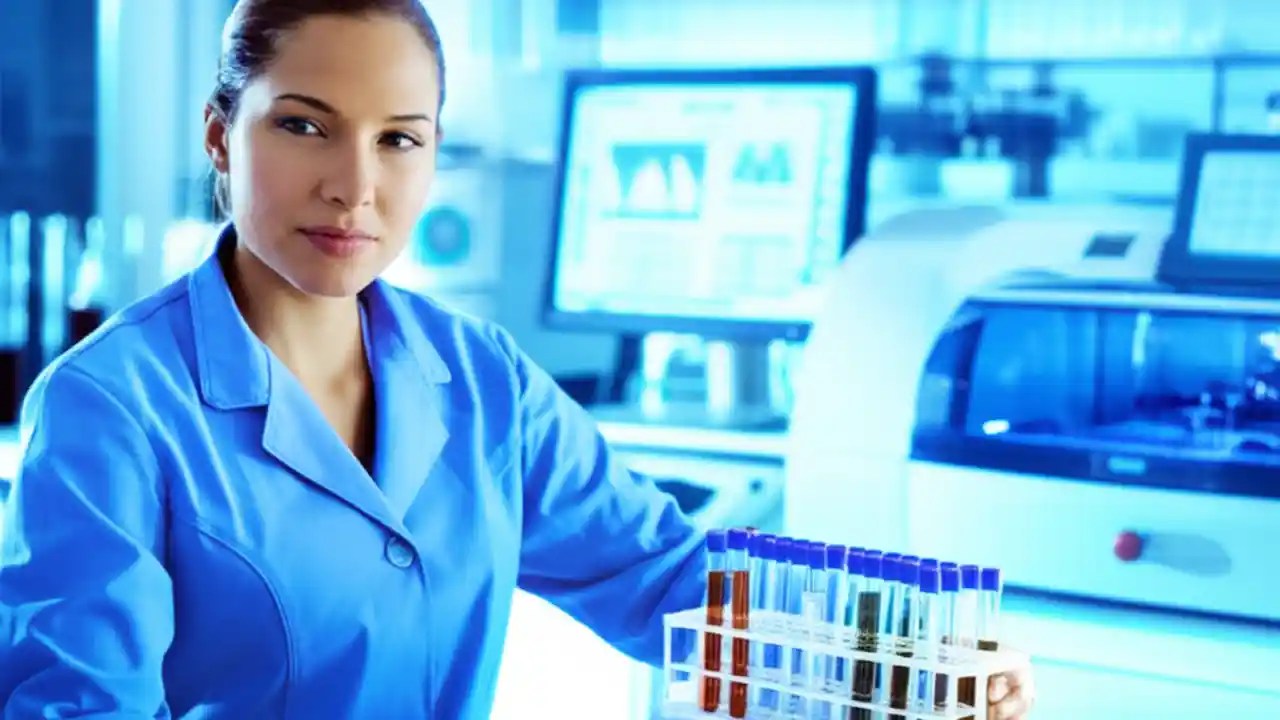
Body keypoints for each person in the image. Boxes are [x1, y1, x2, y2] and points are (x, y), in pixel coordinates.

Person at [0, 1, 1035, 718]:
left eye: (399, 140)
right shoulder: (110, 410)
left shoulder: (479, 377)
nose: (353, 187)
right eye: (307, 127)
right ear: (222, 137)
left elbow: (664, 578)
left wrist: (916, 665)